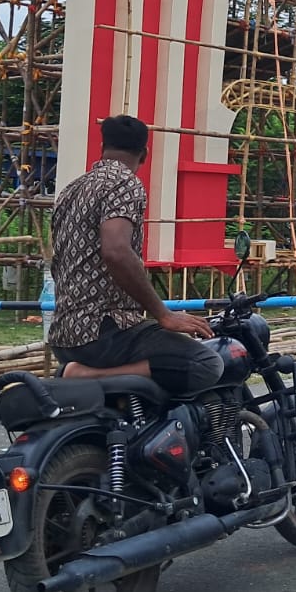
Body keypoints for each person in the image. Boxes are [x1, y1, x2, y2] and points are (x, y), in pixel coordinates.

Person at [48, 115, 221, 396]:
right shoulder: (125, 183)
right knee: (206, 363)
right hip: (104, 330)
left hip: (65, 332)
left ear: (103, 147)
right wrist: (163, 314)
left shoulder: (72, 189)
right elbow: (116, 250)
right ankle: (86, 375)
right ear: (145, 154)